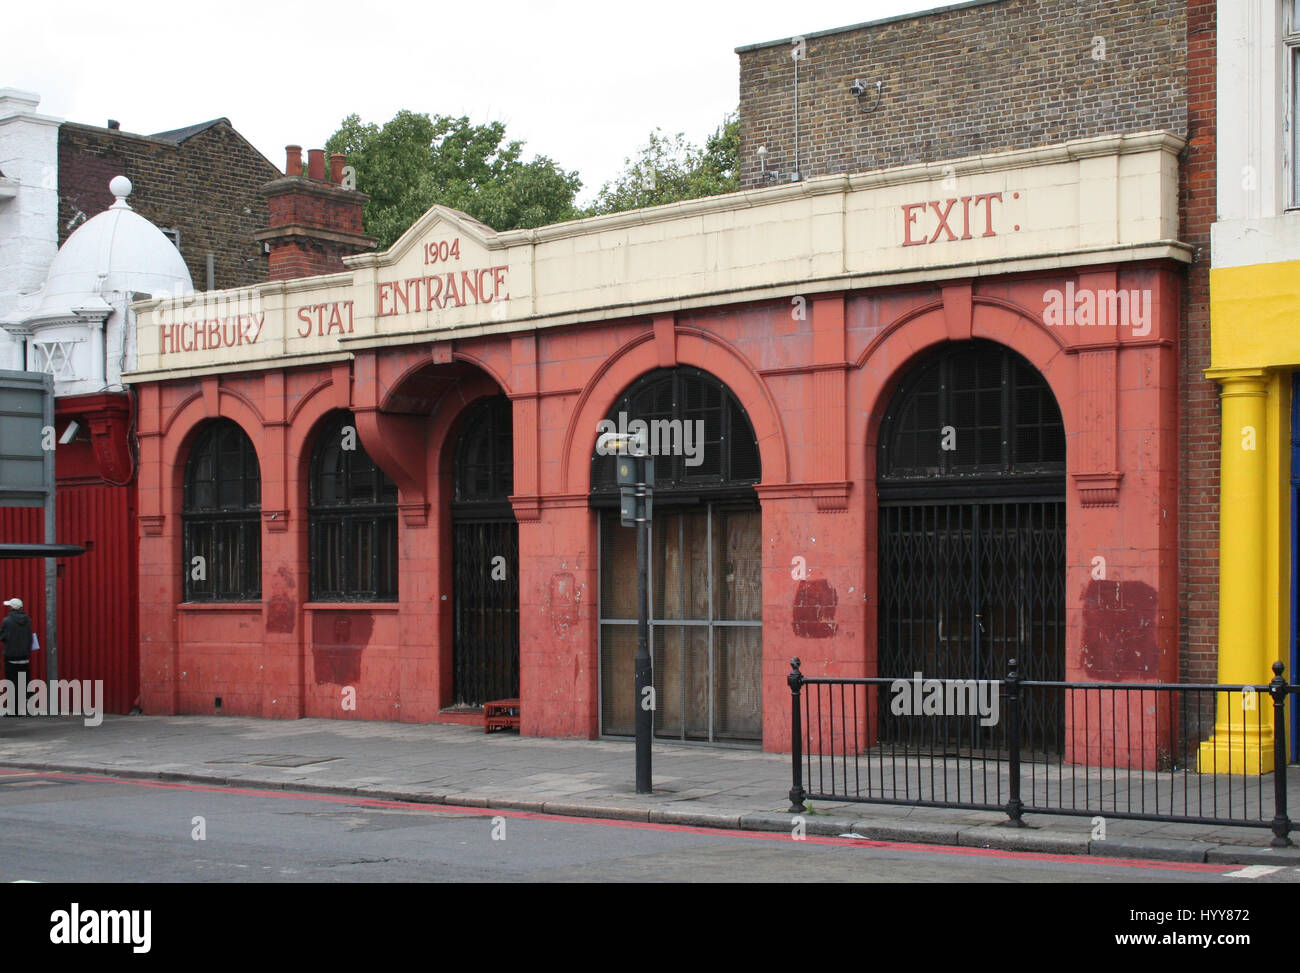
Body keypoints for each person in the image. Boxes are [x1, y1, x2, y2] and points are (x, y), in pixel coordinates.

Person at [1, 597, 34, 710]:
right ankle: (27, 707)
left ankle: (14, 710)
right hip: (25, 657)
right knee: (24, 682)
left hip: (11, 657)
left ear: (12, 608)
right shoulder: (28, 620)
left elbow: (2, 637)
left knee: (12, 683)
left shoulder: (7, 621)